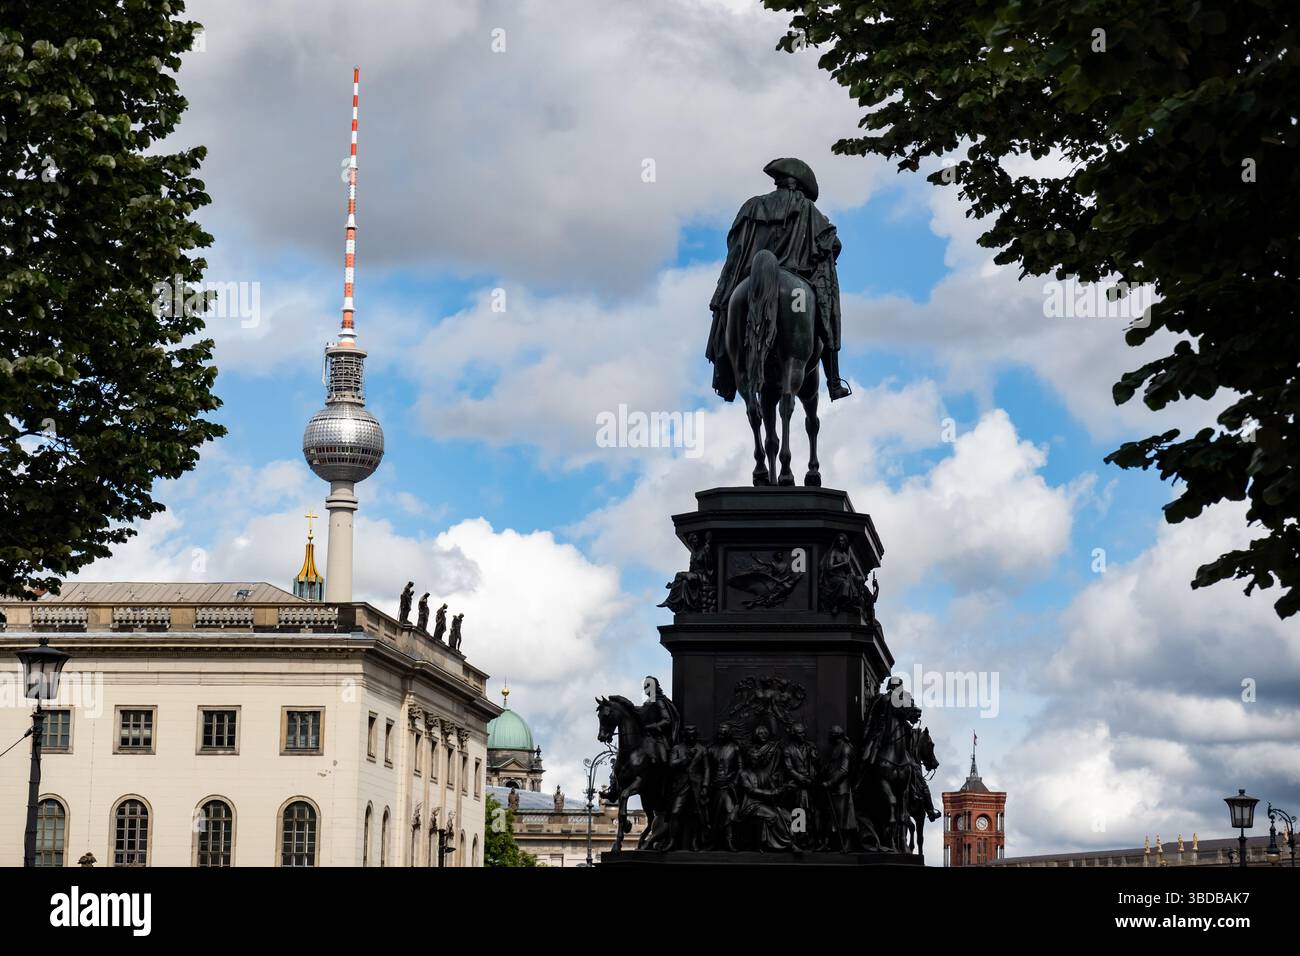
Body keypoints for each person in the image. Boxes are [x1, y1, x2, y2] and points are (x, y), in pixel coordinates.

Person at [707, 157, 850, 403]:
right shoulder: (808, 209)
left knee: (725, 310)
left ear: (779, 182)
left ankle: (723, 375)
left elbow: (735, 246)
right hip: (797, 282)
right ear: (801, 186)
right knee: (827, 312)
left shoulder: (751, 207)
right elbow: (832, 245)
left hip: (750, 280)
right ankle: (834, 381)